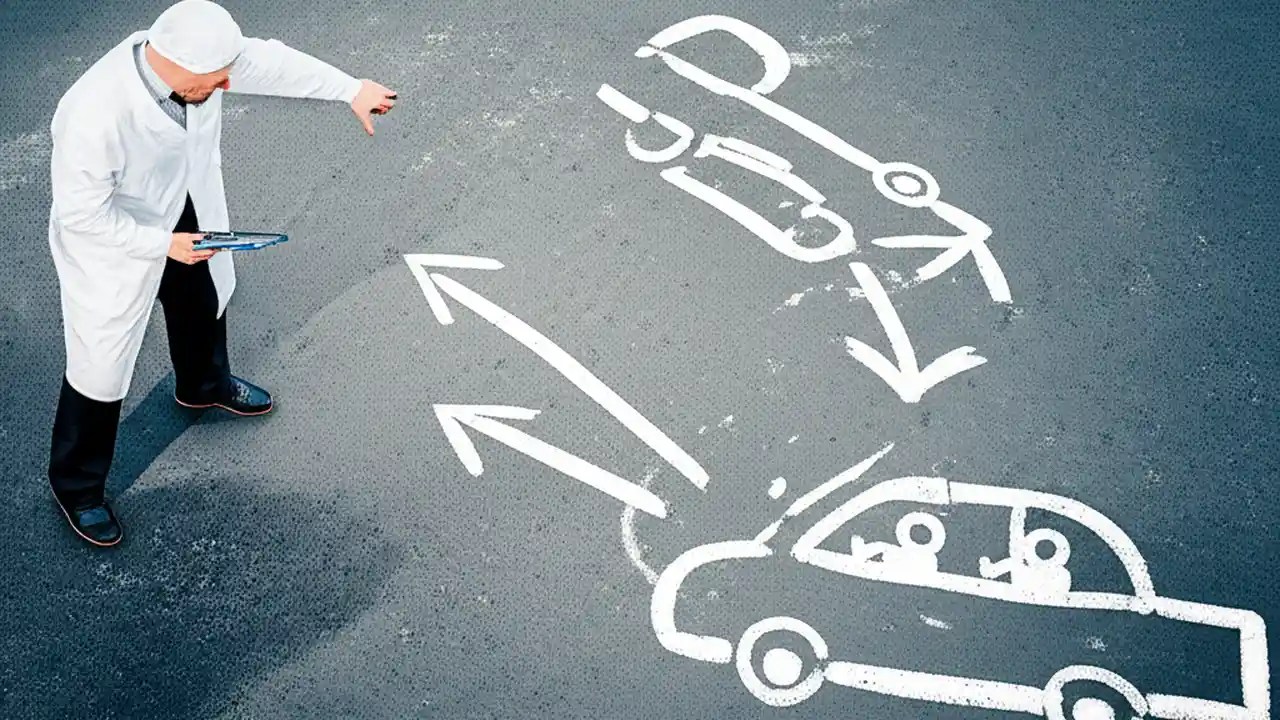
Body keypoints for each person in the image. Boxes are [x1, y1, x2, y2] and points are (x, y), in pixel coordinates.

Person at [46, 0, 397, 546]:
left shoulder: (202, 64)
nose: (228, 85)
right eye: (217, 80)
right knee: (100, 363)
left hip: (181, 204)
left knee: (202, 297)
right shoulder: (91, 114)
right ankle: (77, 487)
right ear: (177, 66)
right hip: (116, 238)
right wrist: (162, 243)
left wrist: (351, 89)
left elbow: (274, 65)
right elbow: (83, 216)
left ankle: (203, 385)